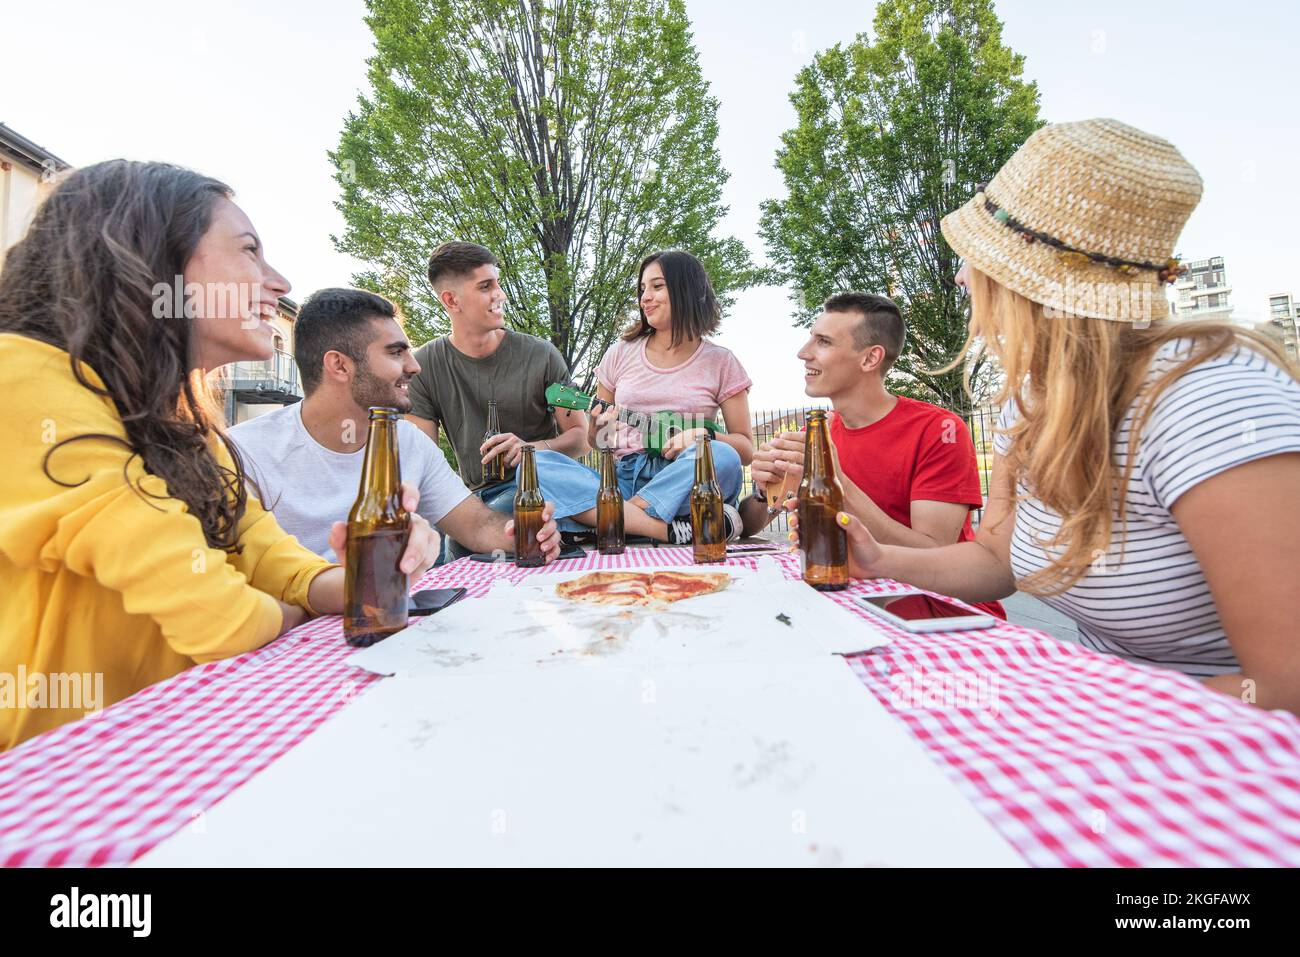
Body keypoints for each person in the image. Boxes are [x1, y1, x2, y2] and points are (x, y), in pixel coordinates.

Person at [797, 119, 1300, 711]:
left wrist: (1060, 703)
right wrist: (879, 562)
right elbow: (994, 562)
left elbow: (1282, 686)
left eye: (975, 258)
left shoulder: (1209, 399)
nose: (961, 275)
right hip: (1096, 696)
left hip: (1219, 747)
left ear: (1028, 280)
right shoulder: (1032, 397)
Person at [0, 161, 439, 750]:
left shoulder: (188, 425)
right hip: (47, 779)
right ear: (158, 262)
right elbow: (221, 616)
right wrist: (291, 609)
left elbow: (272, 559)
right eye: (249, 251)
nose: (279, 281)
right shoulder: (21, 378)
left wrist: (381, 570)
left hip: (169, 743)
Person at [228, 288, 562, 563]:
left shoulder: (409, 442)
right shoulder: (245, 453)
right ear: (339, 366)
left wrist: (525, 532)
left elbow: (476, 524)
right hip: (291, 637)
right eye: (396, 353)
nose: (414, 366)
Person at [747, 292, 1005, 619]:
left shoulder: (938, 429)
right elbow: (753, 525)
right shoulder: (815, 432)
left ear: (870, 359)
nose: (803, 353)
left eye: (823, 342)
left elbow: (936, 553)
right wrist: (763, 489)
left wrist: (838, 483)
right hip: (846, 604)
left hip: (938, 618)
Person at [405, 242, 599, 559]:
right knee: (428, 526)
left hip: (545, 489)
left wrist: (529, 450)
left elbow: (581, 439)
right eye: (486, 286)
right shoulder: (424, 366)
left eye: (498, 283)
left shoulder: (541, 354)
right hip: (478, 500)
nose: (501, 294)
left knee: (508, 514)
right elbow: (424, 465)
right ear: (451, 300)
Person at [581, 249, 753, 543]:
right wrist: (598, 430)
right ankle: (665, 529)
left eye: (657, 286)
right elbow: (600, 443)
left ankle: (621, 518)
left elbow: (745, 451)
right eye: (642, 289)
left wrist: (704, 438)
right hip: (625, 476)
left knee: (722, 455)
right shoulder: (620, 353)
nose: (645, 297)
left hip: (688, 478)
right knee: (539, 466)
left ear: (686, 289)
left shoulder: (721, 362)